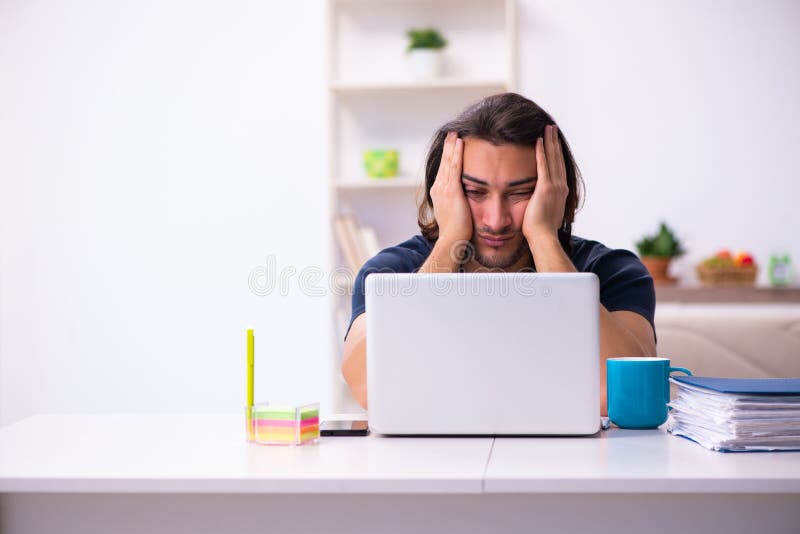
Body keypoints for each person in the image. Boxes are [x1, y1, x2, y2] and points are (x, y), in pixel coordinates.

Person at [341, 92, 656, 414]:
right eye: (475, 192)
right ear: (443, 192)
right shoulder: (392, 272)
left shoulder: (612, 271)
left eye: (522, 193)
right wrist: (450, 240)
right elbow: (371, 390)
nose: (497, 220)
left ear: (559, 193)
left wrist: (543, 236)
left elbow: (627, 394)